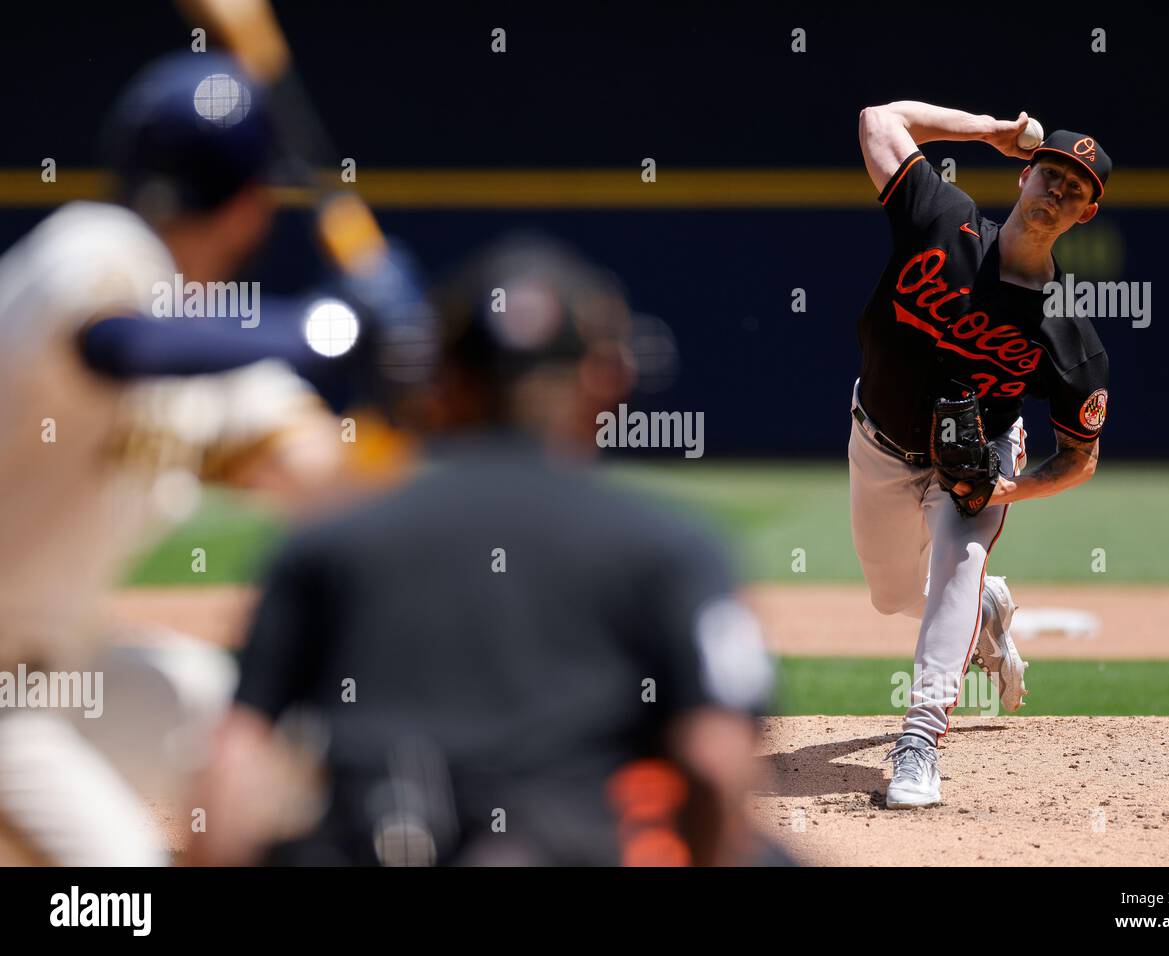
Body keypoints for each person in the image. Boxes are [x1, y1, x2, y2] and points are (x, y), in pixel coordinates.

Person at [190, 237, 778, 866]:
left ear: (438, 384)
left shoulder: (326, 541)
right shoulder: (672, 545)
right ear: (608, 380)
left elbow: (233, 766)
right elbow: (715, 766)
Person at [0, 51, 348, 865]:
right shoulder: (94, 251)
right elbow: (123, 344)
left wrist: (414, 397)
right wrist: (330, 327)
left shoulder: (202, 347)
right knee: (125, 899)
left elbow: (321, 476)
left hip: (61, 678)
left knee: (301, 753)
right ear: (253, 208)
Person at [851, 102, 1111, 808]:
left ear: (1085, 214)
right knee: (892, 595)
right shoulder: (945, 219)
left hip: (977, 458)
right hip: (877, 436)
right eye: (1051, 173)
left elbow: (1078, 458)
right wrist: (988, 130)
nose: (1057, 191)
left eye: (1075, 189)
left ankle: (920, 742)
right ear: (1025, 174)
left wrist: (1001, 493)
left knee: (959, 556)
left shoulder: (1066, 332)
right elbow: (879, 119)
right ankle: (989, 608)